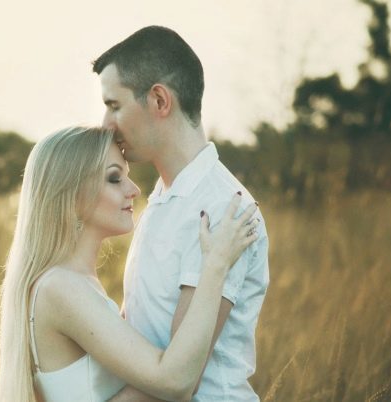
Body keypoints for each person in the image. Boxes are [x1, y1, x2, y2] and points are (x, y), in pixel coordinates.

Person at [0, 126, 260, 402]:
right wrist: (215, 266)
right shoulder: (59, 287)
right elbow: (175, 382)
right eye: (114, 178)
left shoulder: (78, 284)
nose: (133, 190)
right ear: (72, 195)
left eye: (127, 177)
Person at [93, 26, 270, 401]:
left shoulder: (223, 207)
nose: (106, 125)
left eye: (114, 106)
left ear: (159, 100)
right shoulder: (162, 198)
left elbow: (179, 381)